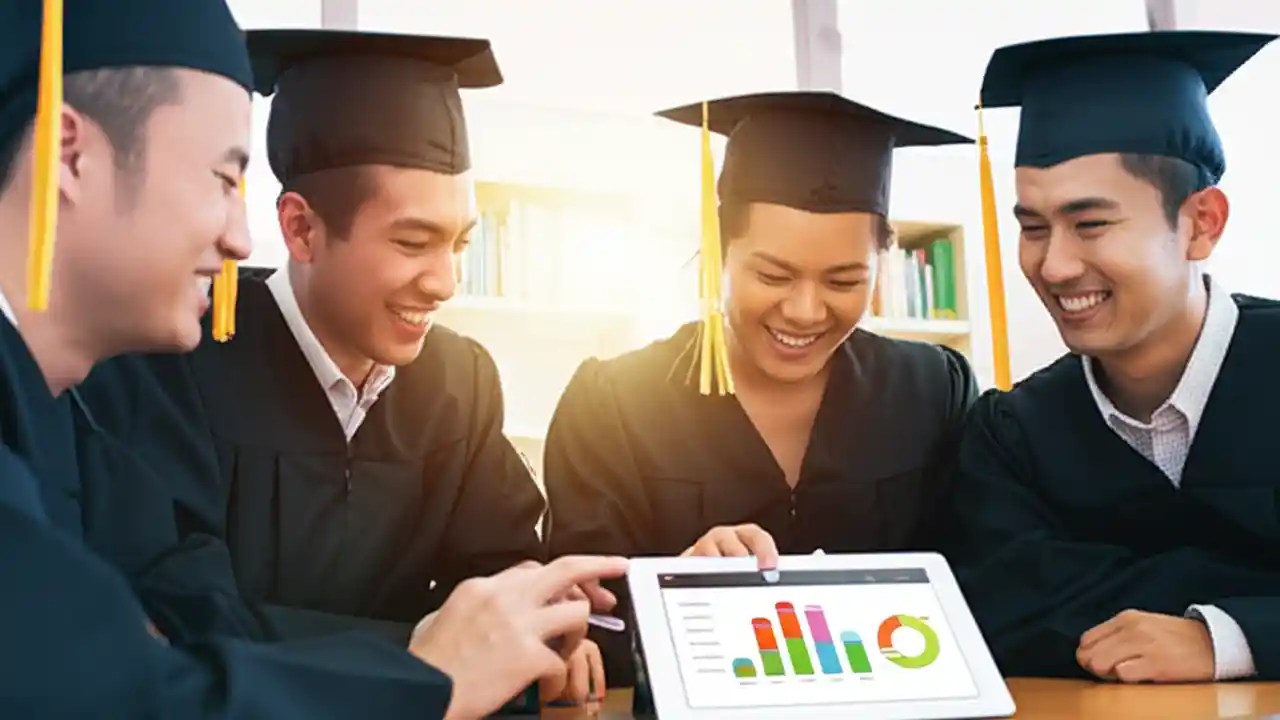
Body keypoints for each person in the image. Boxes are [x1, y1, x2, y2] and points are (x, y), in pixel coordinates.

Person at [0, 2, 625, 717]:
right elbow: (162, 648)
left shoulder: (460, 382)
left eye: (460, 245)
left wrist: (539, 626)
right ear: (300, 228)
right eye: (219, 179)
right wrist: (434, 662)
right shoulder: (156, 371)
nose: (240, 238)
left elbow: (499, 568)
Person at [543, 91, 980, 685]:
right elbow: (578, 631)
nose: (805, 310)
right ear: (717, 253)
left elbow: (980, 593)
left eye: (845, 280)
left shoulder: (932, 391)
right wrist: (675, 587)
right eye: (772, 275)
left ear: (883, 260)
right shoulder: (613, 403)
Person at [944, 30, 1280, 684]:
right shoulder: (1012, 433)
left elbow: (1052, 609)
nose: (1053, 264)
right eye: (1033, 227)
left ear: (1202, 223)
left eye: (1091, 223)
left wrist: (1229, 636)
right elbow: (1003, 611)